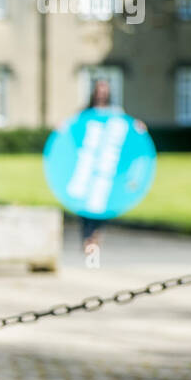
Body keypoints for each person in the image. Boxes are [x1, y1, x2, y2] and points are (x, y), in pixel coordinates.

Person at [80, 79, 115, 254]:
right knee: (87, 205)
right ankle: (87, 237)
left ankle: (96, 236)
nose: (101, 93)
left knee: (101, 202)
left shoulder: (115, 114)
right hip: (89, 166)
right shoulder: (85, 113)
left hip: (105, 166)